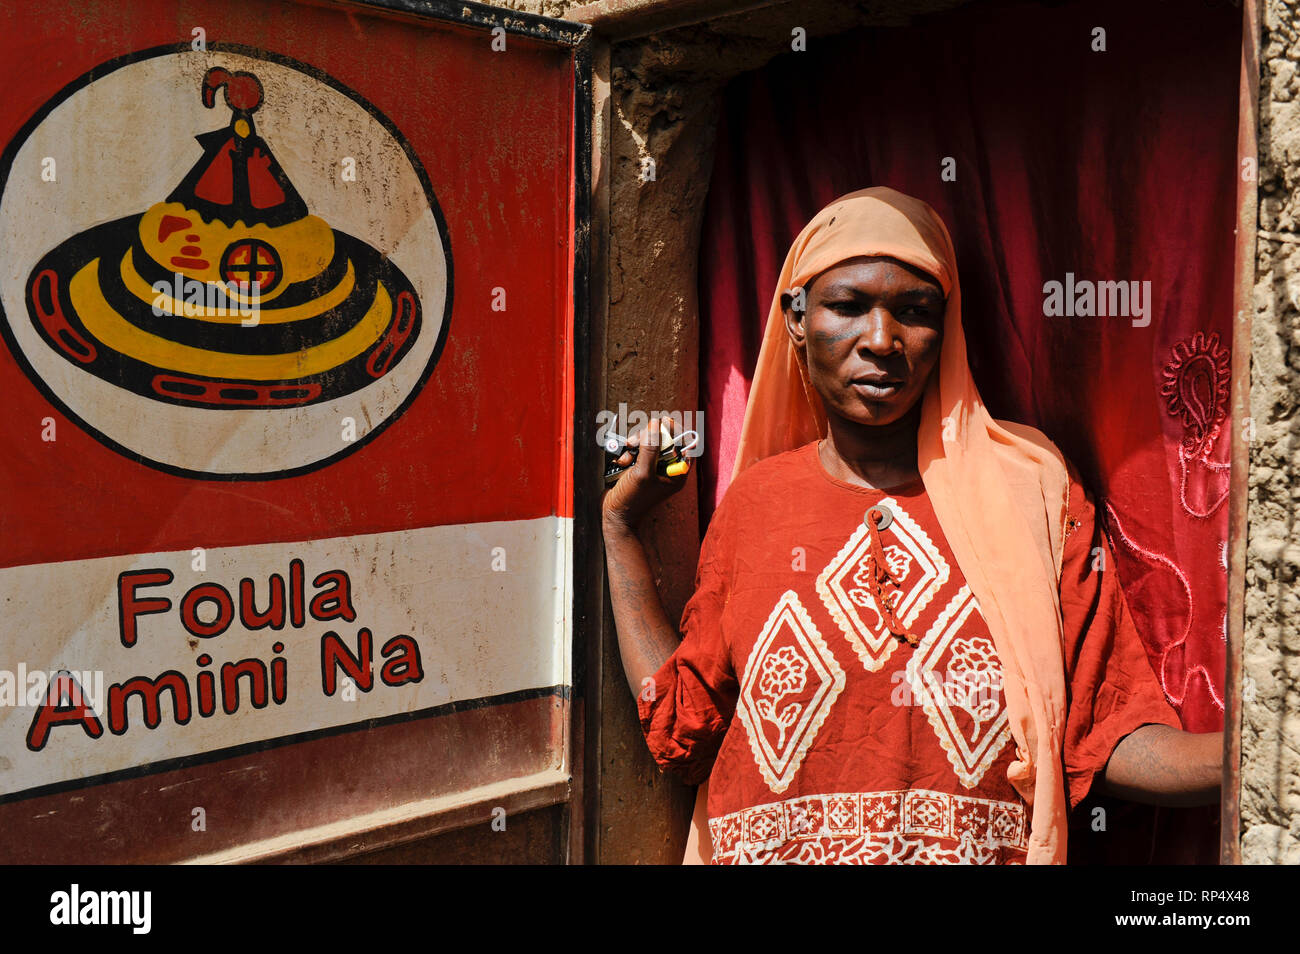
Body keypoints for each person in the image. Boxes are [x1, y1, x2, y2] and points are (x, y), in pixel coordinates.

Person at [600, 187, 1222, 865]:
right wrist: (620, 531)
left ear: (945, 330)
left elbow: (1100, 732)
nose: (882, 341)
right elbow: (684, 723)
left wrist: (1253, 757)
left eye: (914, 313)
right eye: (848, 306)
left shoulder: (1032, 489)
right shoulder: (756, 506)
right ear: (797, 318)